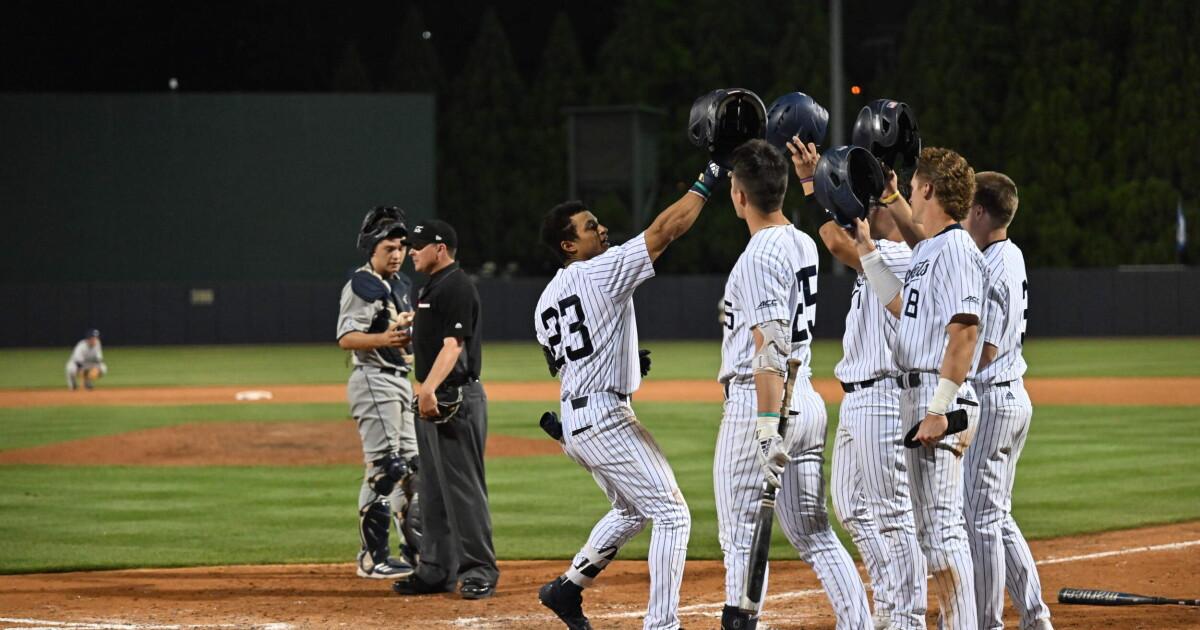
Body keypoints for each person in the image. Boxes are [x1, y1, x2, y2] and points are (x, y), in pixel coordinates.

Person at [533, 157, 720, 630]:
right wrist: (709, 177)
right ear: (568, 245)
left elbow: (566, 361)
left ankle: (565, 589)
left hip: (576, 419)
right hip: (604, 418)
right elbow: (665, 231)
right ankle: (662, 625)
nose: (602, 229)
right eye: (590, 226)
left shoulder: (544, 301)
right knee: (673, 514)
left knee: (632, 510)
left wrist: (626, 362)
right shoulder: (599, 270)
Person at [715, 138, 871, 630]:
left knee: (739, 536)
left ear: (740, 195)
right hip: (806, 399)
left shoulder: (758, 255)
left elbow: (770, 344)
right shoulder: (802, 240)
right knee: (815, 534)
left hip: (762, 402)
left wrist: (765, 427)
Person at [790, 135, 924, 630]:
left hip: (885, 396)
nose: (867, 210)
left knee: (892, 514)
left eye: (877, 204)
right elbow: (842, 234)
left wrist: (810, 184)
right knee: (850, 509)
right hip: (857, 399)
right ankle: (890, 603)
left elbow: (833, 240)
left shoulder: (904, 257)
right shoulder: (877, 251)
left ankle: (907, 616)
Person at [850, 147, 986, 630]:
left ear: (928, 188)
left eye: (910, 187)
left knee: (943, 532)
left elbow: (965, 333)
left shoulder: (957, 249)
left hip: (937, 396)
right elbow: (899, 304)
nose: (904, 193)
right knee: (933, 532)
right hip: (919, 393)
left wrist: (938, 408)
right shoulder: (931, 249)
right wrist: (867, 251)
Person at [961, 173, 1053, 630]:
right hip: (1011, 395)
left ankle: (986, 623)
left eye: (966, 207)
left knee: (979, 521)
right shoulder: (1008, 254)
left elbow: (987, 349)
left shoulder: (992, 266)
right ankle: (1035, 617)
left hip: (994, 399)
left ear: (980, 211)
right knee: (994, 517)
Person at [392, 218, 499, 601]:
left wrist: (427, 389)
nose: (411, 252)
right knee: (433, 489)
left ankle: (480, 571)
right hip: (437, 398)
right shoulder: (434, 285)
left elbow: (454, 345)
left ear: (440, 249)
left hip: (454, 400)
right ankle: (435, 569)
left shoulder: (456, 284)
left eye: (418, 245)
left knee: (463, 491)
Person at [336, 206, 419, 580]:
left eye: (401, 247)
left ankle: (415, 552)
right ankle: (371, 558)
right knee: (386, 469)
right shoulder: (362, 284)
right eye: (389, 248)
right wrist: (384, 338)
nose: (397, 254)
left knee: (414, 469)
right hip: (374, 380)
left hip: (399, 379)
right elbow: (346, 337)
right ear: (372, 249)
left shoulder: (398, 284)